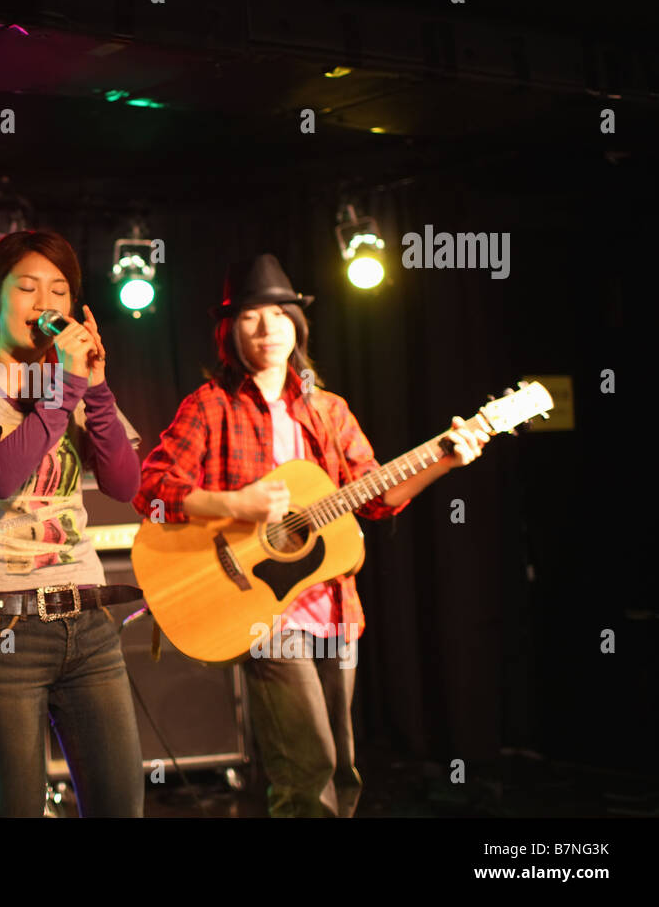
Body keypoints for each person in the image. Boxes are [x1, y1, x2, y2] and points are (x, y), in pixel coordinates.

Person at [133, 254, 489, 818]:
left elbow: (377, 495)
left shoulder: (329, 411)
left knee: (341, 768)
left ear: (297, 324)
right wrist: (234, 504)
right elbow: (152, 488)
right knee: (308, 767)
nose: (267, 328)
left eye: (280, 313)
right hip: (260, 607)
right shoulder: (210, 405)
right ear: (230, 330)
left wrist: (445, 460)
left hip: (333, 604)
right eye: (251, 315)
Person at [0, 229, 146, 817]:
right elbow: (0, 475)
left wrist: (96, 388)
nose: (45, 304)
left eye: (59, 291)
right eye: (28, 288)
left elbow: (124, 485)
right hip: (1, 629)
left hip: (88, 624)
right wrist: (67, 389)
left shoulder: (74, 385)